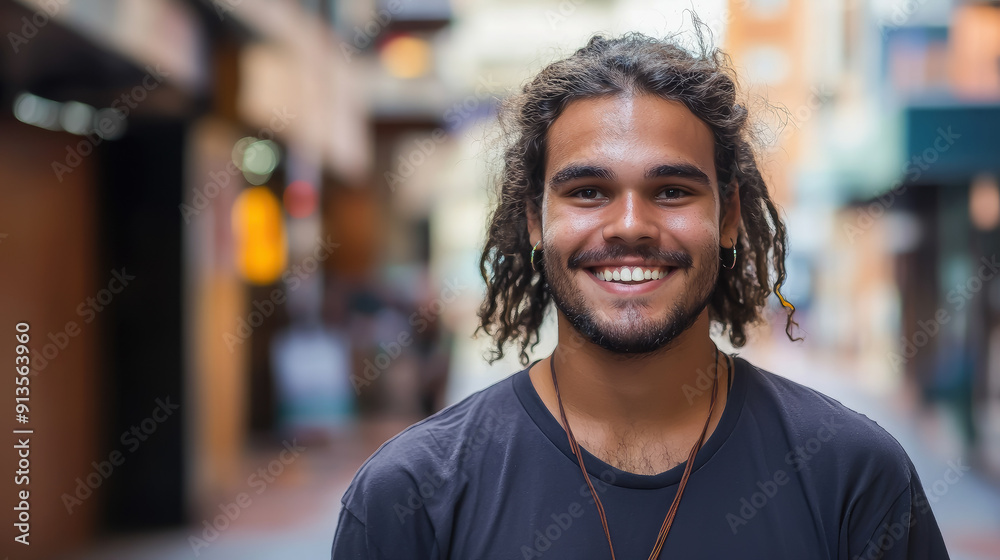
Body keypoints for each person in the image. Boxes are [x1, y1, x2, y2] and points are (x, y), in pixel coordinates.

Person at [331, 30, 950, 559]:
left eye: (673, 191)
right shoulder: (409, 496)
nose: (630, 224)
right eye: (590, 192)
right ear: (536, 221)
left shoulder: (855, 477)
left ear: (729, 216)